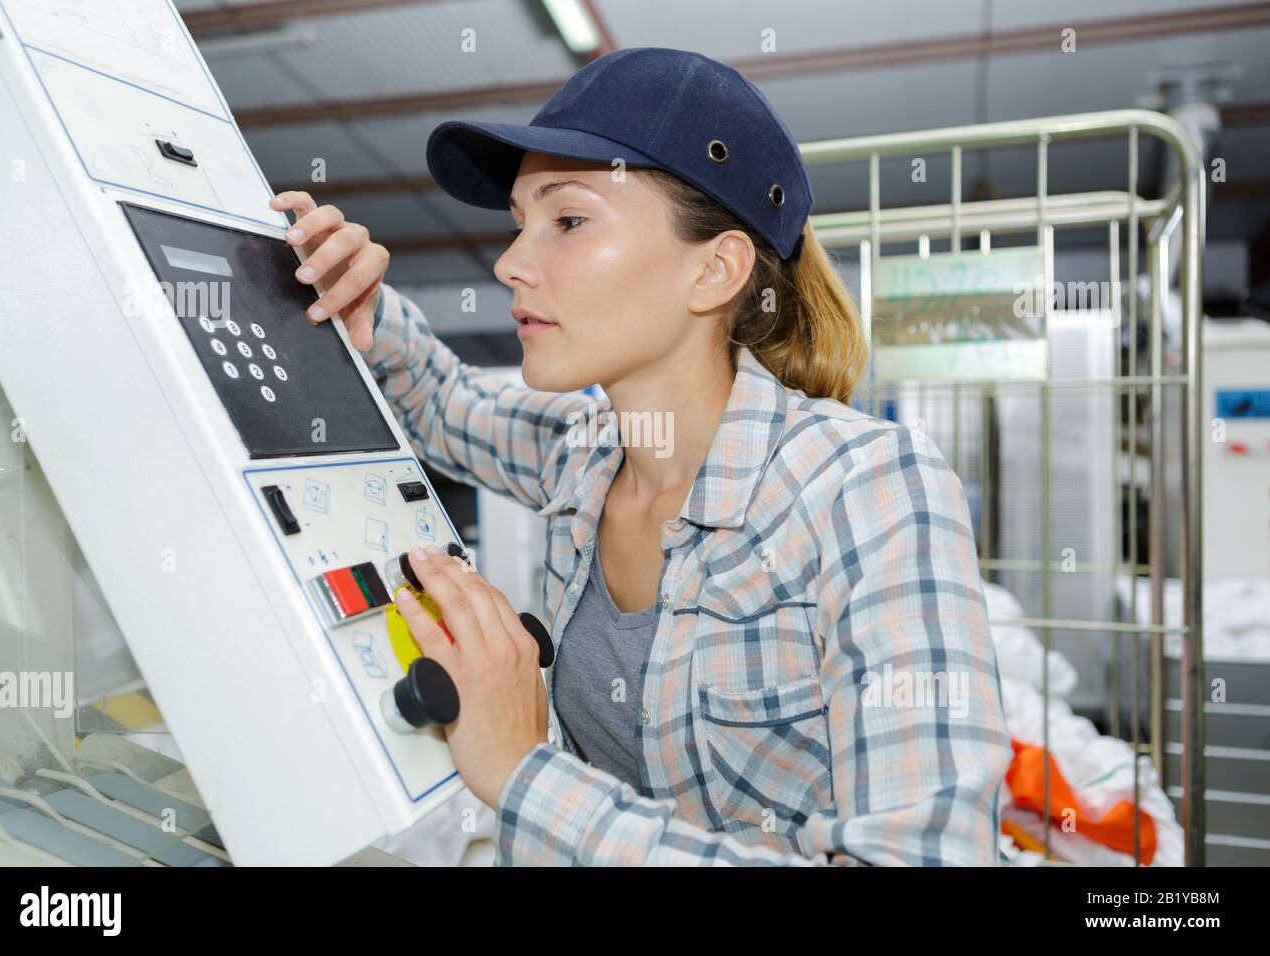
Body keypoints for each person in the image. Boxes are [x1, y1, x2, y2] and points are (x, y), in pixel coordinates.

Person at [270, 47, 1010, 866]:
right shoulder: (583, 457)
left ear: (715, 269)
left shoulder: (865, 490)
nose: (511, 263)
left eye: (569, 220)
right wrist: (365, 309)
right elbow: (444, 404)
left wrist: (524, 773)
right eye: (520, 223)